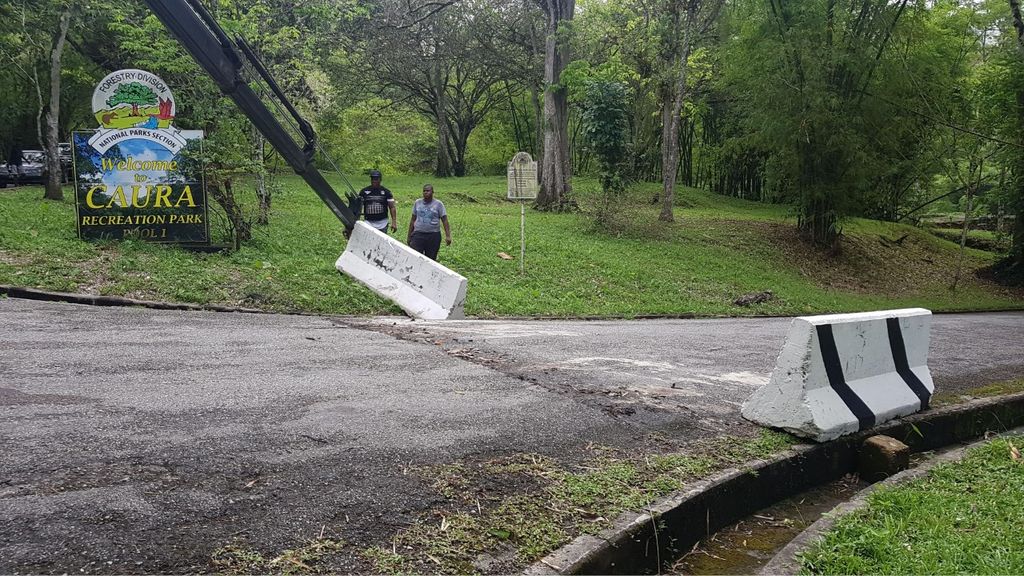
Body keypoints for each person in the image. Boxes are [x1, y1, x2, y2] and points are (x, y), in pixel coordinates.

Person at [407, 183, 451, 261]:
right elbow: (413, 219)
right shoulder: (418, 202)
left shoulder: (438, 204)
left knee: (430, 259)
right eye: (424, 191)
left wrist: (448, 236)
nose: (425, 192)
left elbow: (444, 220)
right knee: (415, 257)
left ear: (432, 192)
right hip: (418, 234)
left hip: (433, 235)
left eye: (428, 191)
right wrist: (409, 235)